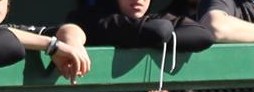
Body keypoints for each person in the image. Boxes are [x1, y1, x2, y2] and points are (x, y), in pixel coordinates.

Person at [68, 0, 215, 51]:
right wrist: (156, 38)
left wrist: (159, 39)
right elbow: (159, 31)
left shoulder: (153, 19)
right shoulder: (92, 19)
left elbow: (204, 36)